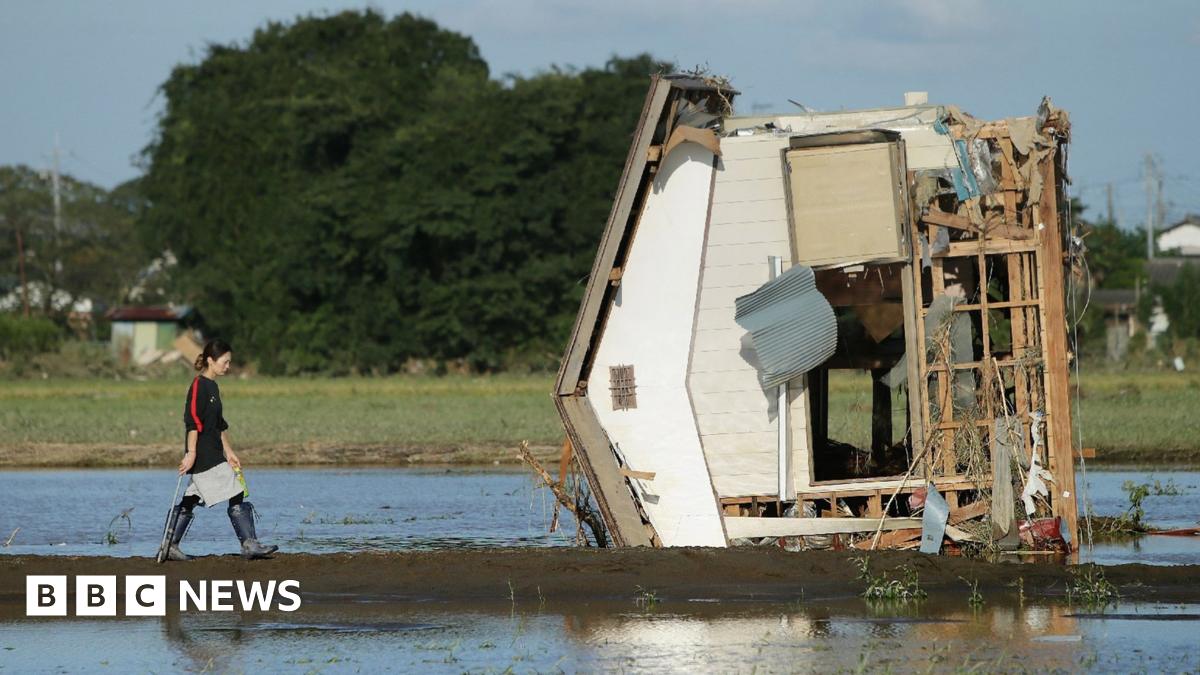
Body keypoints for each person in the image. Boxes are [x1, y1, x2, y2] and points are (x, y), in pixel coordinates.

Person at [163, 338, 277, 561]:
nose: (228, 366)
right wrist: (191, 453)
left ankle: (169, 545)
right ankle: (249, 544)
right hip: (204, 453)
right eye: (225, 362)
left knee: (191, 499)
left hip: (214, 450)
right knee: (236, 491)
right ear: (210, 360)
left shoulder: (213, 386)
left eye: (229, 362)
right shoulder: (198, 386)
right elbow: (192, 422)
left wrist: (230, 452)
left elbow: (218, 425)